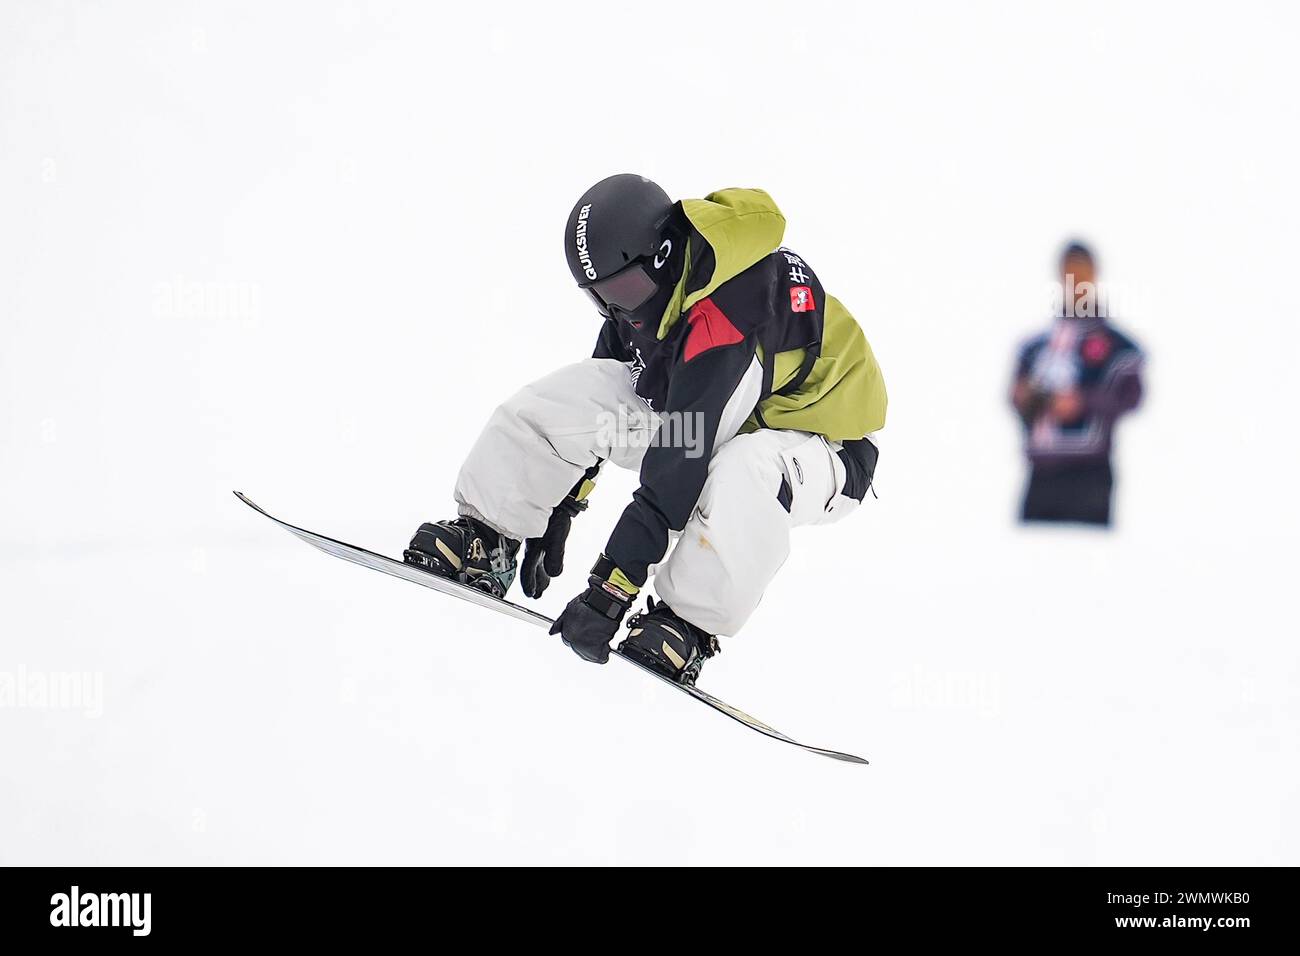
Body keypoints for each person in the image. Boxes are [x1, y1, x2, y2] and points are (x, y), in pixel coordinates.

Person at [404, 175, 886, 684]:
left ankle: (686, 627)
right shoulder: (643, 303)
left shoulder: (728, 313)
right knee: (587, 389)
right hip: (719, 413)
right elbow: (594, 409)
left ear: (665, 254)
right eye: (601, 297)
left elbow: (679, 466)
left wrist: (609, 592)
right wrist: (562, 505)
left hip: (826, 448)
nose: (617, 309)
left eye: (624, 290)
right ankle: (488, 536)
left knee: (745, 469)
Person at [1011, 242, 1144, 526]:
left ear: (1095, 275)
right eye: (1070, 273)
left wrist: (1084, 401)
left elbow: (1132, 396)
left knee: (1087, 548)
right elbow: (1016, 396)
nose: (1076, 282)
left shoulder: (1116, 347)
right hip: (1042, 473)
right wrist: (1027, 398)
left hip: (1089, 473)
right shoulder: (1036, 347)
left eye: (1082, 273)